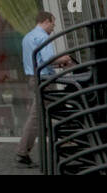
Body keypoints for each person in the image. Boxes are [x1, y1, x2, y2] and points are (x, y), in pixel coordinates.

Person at [15, 10, 73, 168]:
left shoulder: (28, 37)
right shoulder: (42, 36)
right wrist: (65, 59)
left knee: (47, 113)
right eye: (53, 23)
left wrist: (58, 63)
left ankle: (68, 142)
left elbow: (39, 61)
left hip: (35, 78)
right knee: (41, 116)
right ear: (46, 21)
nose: (53, 27)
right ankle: (22, 153)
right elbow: (48, 59)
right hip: (45, 80)